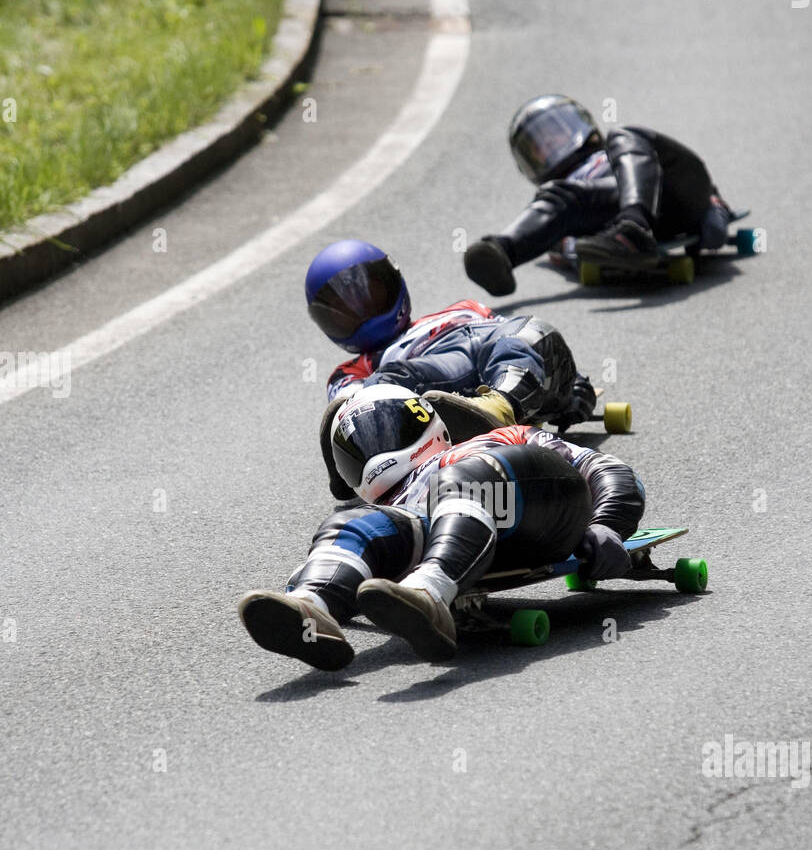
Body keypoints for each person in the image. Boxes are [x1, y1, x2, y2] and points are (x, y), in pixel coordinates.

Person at [238, 384, 645, 669]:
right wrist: (323, 572)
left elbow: (607, 468)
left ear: (419, 421)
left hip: (541, 507)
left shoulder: (498, 438)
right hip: (453, 534)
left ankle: (430, 593)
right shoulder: (395, 505)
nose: (373, 449)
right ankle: (313, 610)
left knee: (464, 478)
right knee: (348, 522)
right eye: (358, 446)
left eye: (381, 431)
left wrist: (608, 523)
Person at [304, 239, 597, 497]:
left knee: (527, 331)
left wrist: (573, 387)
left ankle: (497, 407)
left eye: (372, 294)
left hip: (492, 351)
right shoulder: (352, 370)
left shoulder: (464, 309)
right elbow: (355, 409)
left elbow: (526, 346)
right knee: (380, 386)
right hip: (424, 384)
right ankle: (453, 426)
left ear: (394, 283)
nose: (363, 310)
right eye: (347, 309)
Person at [463, 94, 733, 295]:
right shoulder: (565, 193)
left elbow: (693, 180)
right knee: (556, 196)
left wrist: (716, 207)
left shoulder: (621, 148)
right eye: (539, 146)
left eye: (554, 134)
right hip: (611, 215)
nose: (550, 145)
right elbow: (567, 244)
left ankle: (634, 227)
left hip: (673, 192)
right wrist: (574, 251)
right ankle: (501, 251)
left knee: (624, 133)